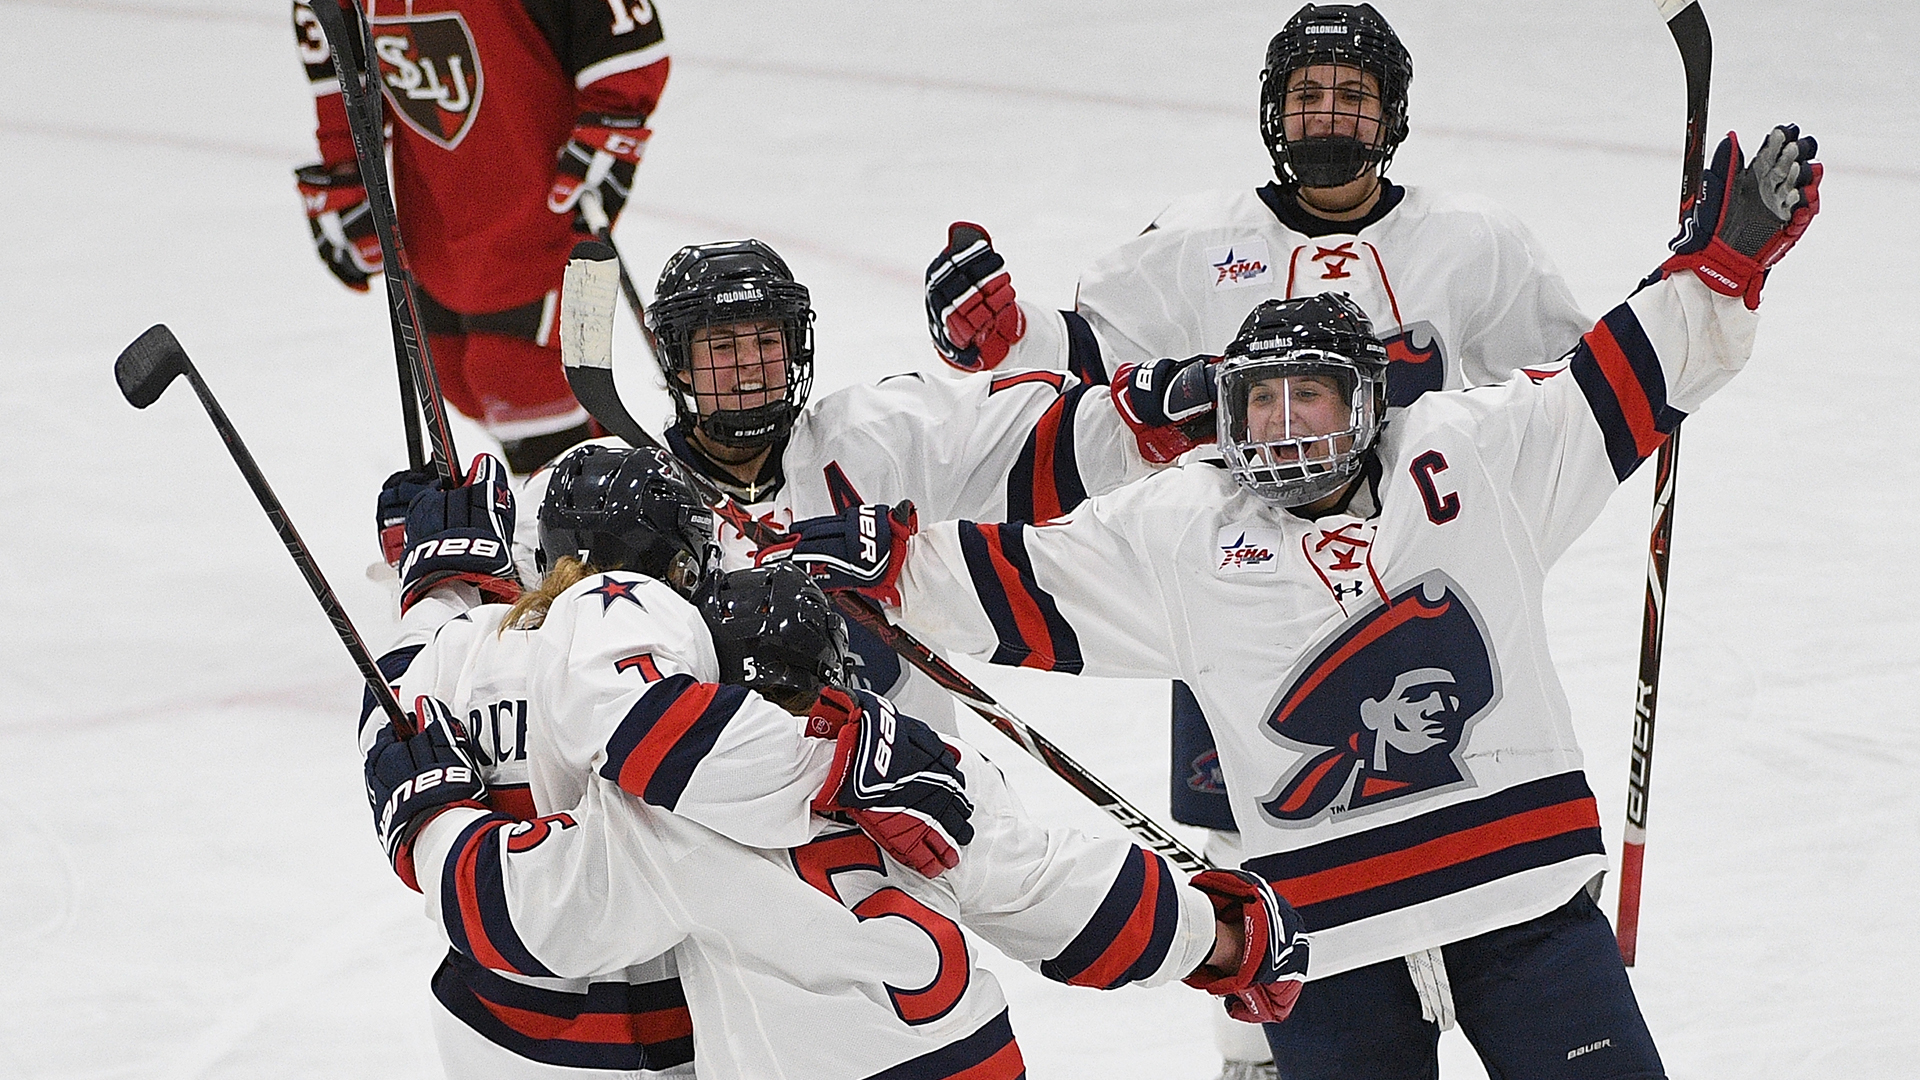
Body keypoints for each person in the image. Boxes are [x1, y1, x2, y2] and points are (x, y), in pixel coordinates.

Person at [792, 124, 1821, 1078]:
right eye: (1259, 402)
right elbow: (1033, 578)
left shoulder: (1470, 454)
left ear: (1368, 400)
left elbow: (1614, 381)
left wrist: (1716, 276)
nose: (1284, 425)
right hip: (1328, 943)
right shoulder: (1185, 524)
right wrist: (897, 564)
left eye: (1311, 396)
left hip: (1528, 908)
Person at [924, 9, 1593, 1071]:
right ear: (1274, 109)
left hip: (1425, 581)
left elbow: (1566, 380)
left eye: (1355, 95)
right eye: (1310, 93)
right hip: (1246, 593)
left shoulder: (1475, 242)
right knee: (1255, 833)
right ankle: (1263, 1048)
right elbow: (1087, 354)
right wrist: (1006, 332)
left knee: (1474, 790)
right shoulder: (1201, 240)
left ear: (1395, 114)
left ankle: (1540, 967)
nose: (1331, 114)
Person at [368, 622, 1313, 1080]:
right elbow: (1059, 892)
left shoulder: (668, 820)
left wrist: (431, 812)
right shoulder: (922, 764)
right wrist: (1218, 935)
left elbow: (525, 914)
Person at [365, 443, 975, 1076]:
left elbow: (395, 722)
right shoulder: (703, 669)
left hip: (489, 1033)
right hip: (671, 1035)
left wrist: (442, 581)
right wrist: (841, 754)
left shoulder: (453, 650)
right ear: (685, 569)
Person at [547, 237, 1223, 732]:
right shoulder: (613, 493)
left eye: (766, 343)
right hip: (716, 810)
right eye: (722, 347)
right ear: (677, 363)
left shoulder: (873, 435)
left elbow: (1031, 431)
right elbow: (514, 619)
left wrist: (1148, 413)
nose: (750, 367)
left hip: (905, 795)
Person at [292, 0, 669, 473]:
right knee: (451, 370)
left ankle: (588, 519)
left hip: (537, 201)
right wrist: (346, 163)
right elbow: (333, 39)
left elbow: (628, 43)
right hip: (431, 209)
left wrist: (615, 112)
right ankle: (600, 499)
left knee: (513, 372)